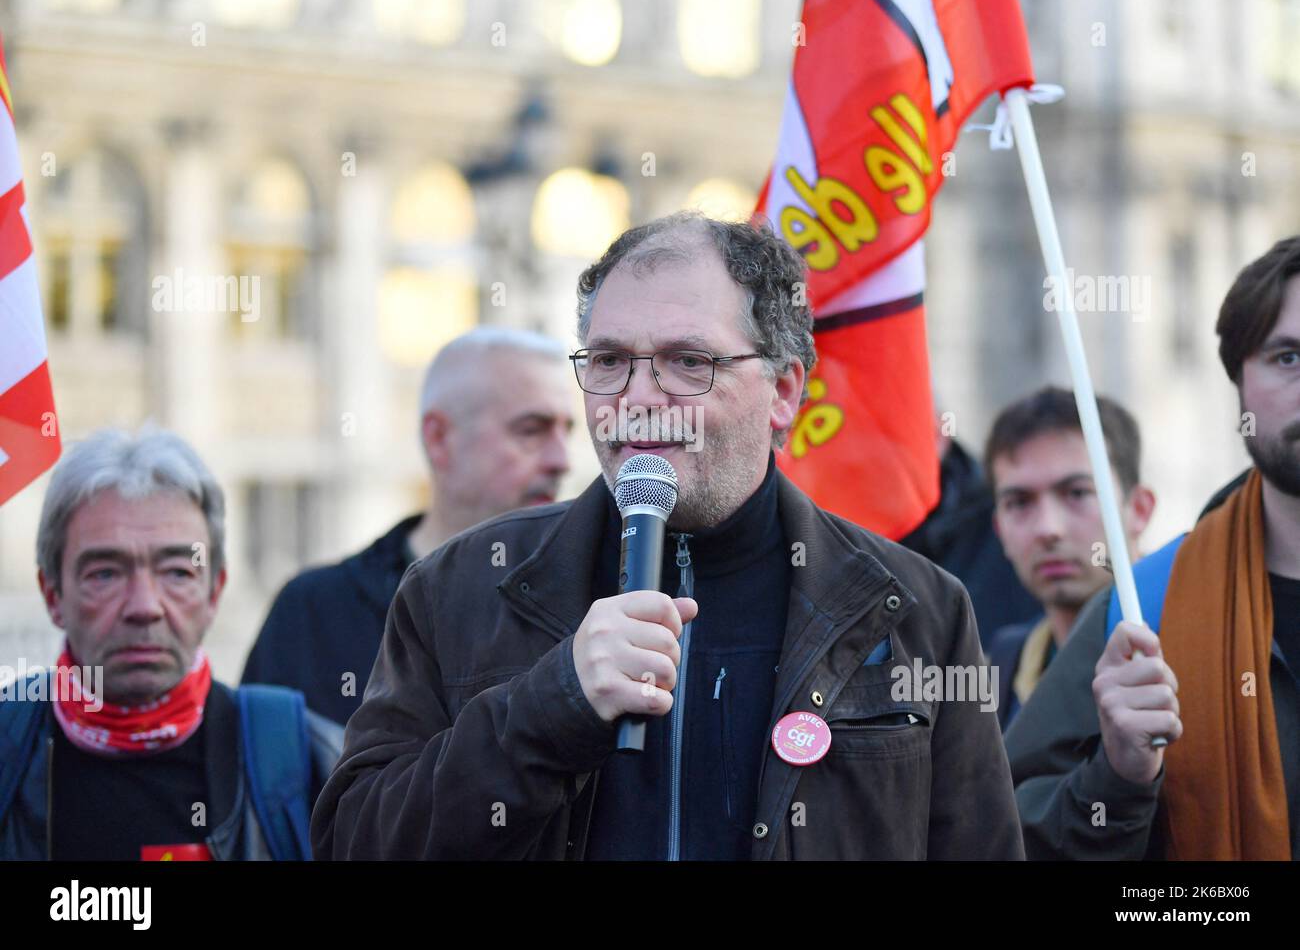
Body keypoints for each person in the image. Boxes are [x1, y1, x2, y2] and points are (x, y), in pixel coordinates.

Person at [311, 211, 1024, 860]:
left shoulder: (915, 607)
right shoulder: (457, 587)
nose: (640, 398)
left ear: (783, 393)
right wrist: (550, 705)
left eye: (690, 361)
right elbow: (355, 842)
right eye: (610, 361)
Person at [1006, 235, 1300, 859]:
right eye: (1287, 357)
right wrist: (1117, 776)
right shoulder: (1143, 611)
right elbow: (1004, 835)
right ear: (1239, 385)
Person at [0, 428, 341, 861]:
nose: (145, 607)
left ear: (214, 591)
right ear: (52, 596)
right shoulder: (8, 751)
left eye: (178, 572)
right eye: (104, 573)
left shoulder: (316, 766)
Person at [241, 327, 575, 726]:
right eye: (531, 430)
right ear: (439, 439)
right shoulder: (314, 613)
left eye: (566, 431)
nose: (561, 460)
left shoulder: (589, 605)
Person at [983, 387, 1155, 729]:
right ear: (999, 528)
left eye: (1077, 493)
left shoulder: (1207, 643)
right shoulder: (999, 669)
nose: (1048, 529)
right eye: (1019, 502)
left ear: (1138, 509)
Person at [900, 420, 1040, 648]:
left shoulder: (1002, 521)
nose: (1049, 529)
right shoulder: (831, 543)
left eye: (1077, 493)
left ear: (938, 434)